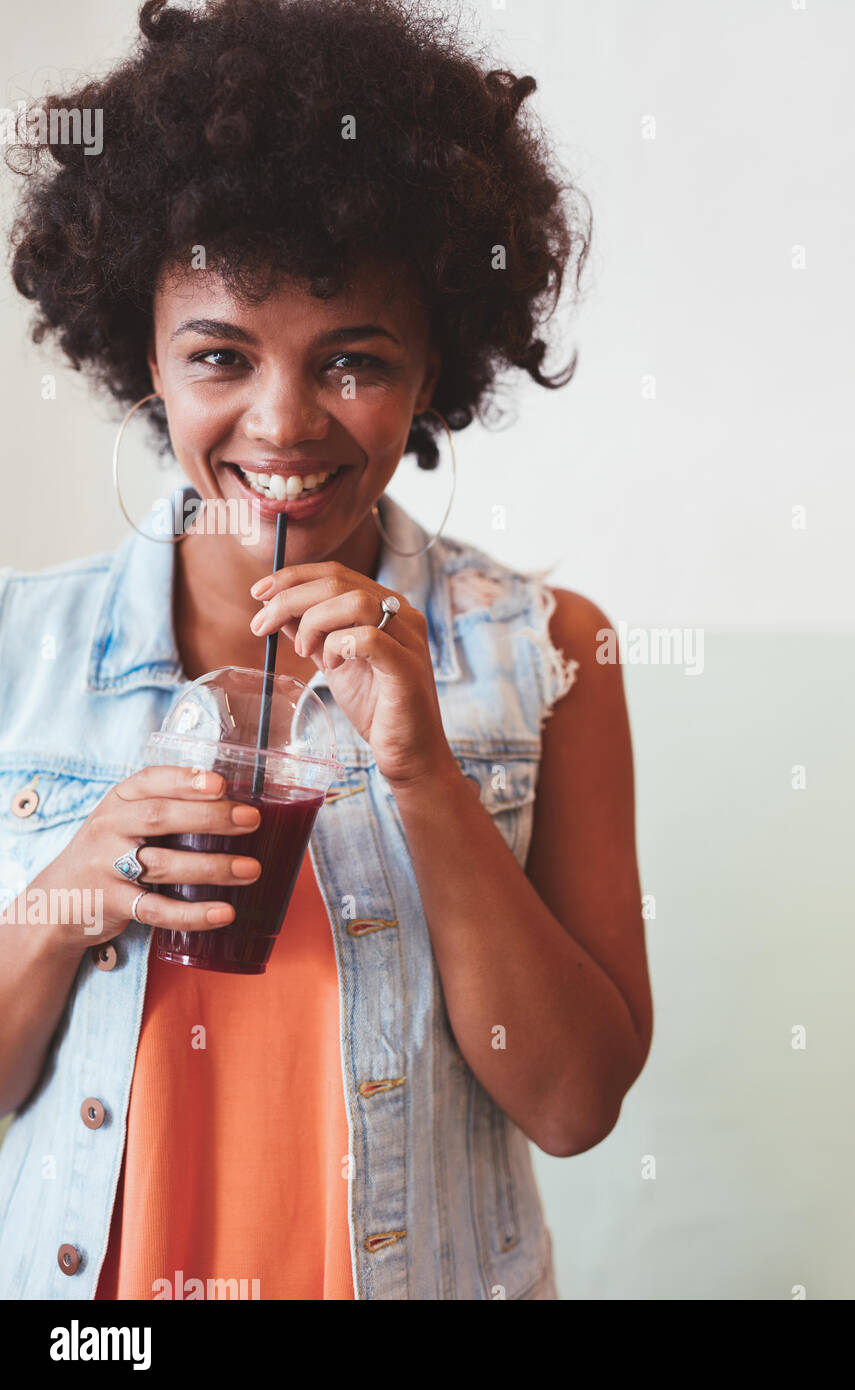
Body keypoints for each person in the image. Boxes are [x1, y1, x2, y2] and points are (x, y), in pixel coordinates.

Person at [0, 0, 650, 1300]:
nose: (283, 422)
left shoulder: (551, 652)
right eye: (219, 355)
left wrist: (424, 776)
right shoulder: (18, 651)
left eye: (352, 360)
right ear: (144, 356)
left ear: (432, 375)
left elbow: (574, 1103)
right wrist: (67, 893)